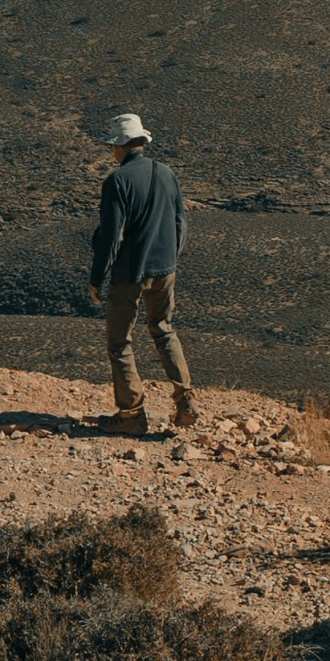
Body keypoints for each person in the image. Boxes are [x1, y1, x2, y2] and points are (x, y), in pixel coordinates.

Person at [88, 110, 193, 433]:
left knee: (119, 341)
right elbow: (181, 222)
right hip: (166, 269)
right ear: (141, 142)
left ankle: (131, 416)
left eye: (112, 147)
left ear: (119, 147)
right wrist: (171, 259)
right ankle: (185, 399)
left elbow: (111, 235)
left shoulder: (117, 181)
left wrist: (96, 278)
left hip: (130, 273)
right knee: (164, 330)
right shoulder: (166, 173)